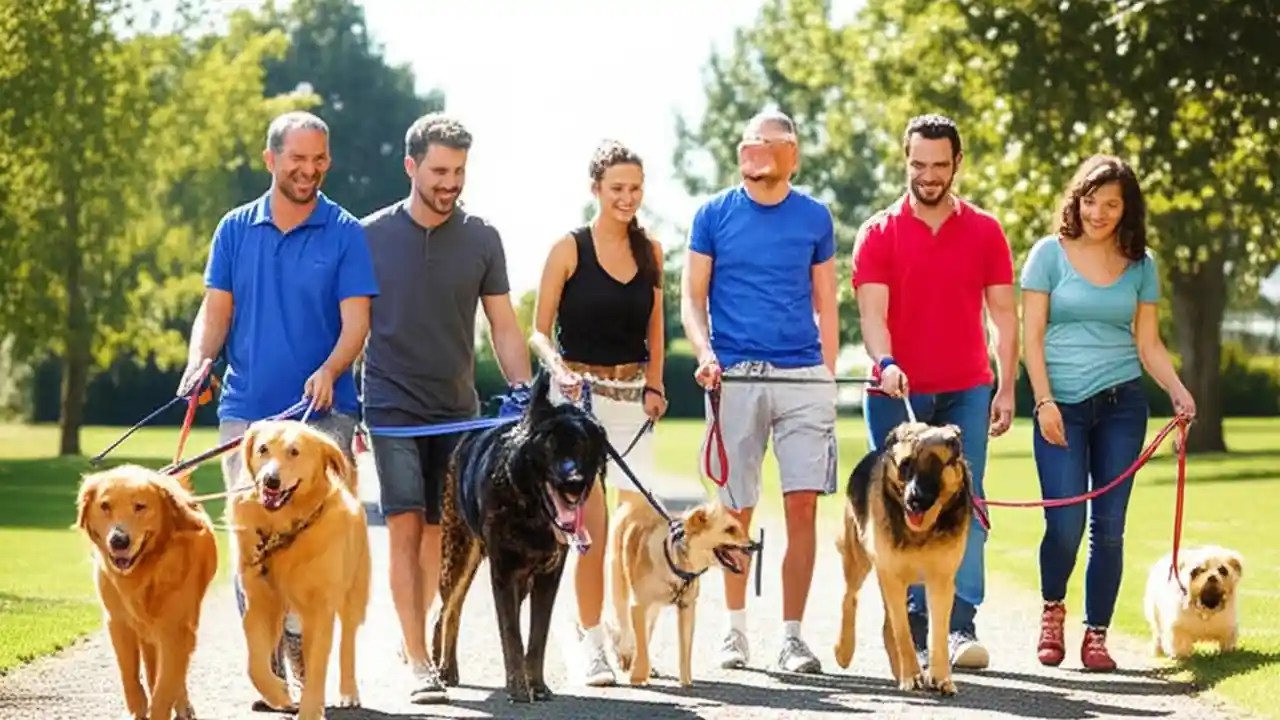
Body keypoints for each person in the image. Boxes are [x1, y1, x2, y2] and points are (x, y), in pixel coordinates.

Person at [178, 110, 378, 709]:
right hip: (248, 415)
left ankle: (297, 649)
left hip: (323, 416)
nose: (309, 170)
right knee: (253, 545)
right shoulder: (234, 229)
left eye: (319, 160)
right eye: (297, 159)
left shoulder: (345, 233)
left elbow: (357, 323)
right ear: (271, 160)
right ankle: (270, 662)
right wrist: (199, 361)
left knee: (312, 546)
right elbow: (216, 310)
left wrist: (331, 369)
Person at [360, 113, 533, 704]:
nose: (450, 182)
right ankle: (417, 657)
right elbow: (352, 323)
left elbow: (504, 325)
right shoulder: (370, 236)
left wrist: (522, 389)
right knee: (405, 526)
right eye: (438, 170)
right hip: (390, 407)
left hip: (457, 411)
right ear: (411, 167)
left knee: (438, 529)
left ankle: (417, 632)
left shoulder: (483, 238)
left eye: (458, 171)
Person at [850, 113, 1018, 671]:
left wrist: (1005, 386)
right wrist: (885, 361)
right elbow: (872, 316)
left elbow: (1003, 316)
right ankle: (916, 628)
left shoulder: (986, 230)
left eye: (939, 165)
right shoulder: (878, 232)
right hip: (897, 394)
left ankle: (959, 623)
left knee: (965, 499)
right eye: (919, 164)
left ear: (957, 163)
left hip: (967, 388)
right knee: (904, 503)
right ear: (906, 160)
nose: (928, 175)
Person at [680, 108, 839, 675]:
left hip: (801, 377)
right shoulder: (713, 215)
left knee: (802, 507)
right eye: (751, 142)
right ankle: (735, 631)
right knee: (734, 511)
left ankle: (792, 637)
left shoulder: (815, 217)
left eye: (769, 143)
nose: (757, 151)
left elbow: (827, 302)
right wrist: (705, 353)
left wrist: (826, 375)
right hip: (735, 377)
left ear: (792, 153)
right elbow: (692, 298)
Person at [1021, 154, 1195, 672]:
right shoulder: (1048, 255)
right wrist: (1044, 401)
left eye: (1111, 205)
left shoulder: (1141, 264)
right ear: (1077, 200)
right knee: (1064, 523)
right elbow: (1032, 339)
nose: (1098, 213)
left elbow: (1148, 343)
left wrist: (1178, 391)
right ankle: (1053, 610)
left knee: (1110, 526)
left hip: (1122, 404)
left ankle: (1097, 634)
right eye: (1091, 201)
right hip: (1061, 407)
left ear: (1127, 210)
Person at [529, 139, 668, 686]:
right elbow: (539, 331)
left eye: (635, 188)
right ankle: (589, 641)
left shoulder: (650, 251)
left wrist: (655, 382)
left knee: (640, 525)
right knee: (593, 524)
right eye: (617, 188)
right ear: (596, 189)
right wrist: (558, 369)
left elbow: (656, 325)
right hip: (577, 403)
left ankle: (628, 633)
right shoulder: (568, 248)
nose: (627, 198)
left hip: (632, 399)